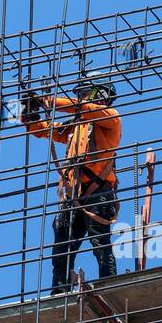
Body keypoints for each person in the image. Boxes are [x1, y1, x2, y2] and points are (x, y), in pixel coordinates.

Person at [23, 80, 122, 294]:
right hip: (72, 197)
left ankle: (110, 289)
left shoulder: (110, 118)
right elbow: (42, 130)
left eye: (86, 92)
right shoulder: (77, 126)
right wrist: (24, 110)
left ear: (100, 94)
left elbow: (82, 107)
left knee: (100, 243)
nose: (83, 97)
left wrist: (46, 101)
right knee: (61, 248)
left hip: (97, 192)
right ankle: (59, 293)